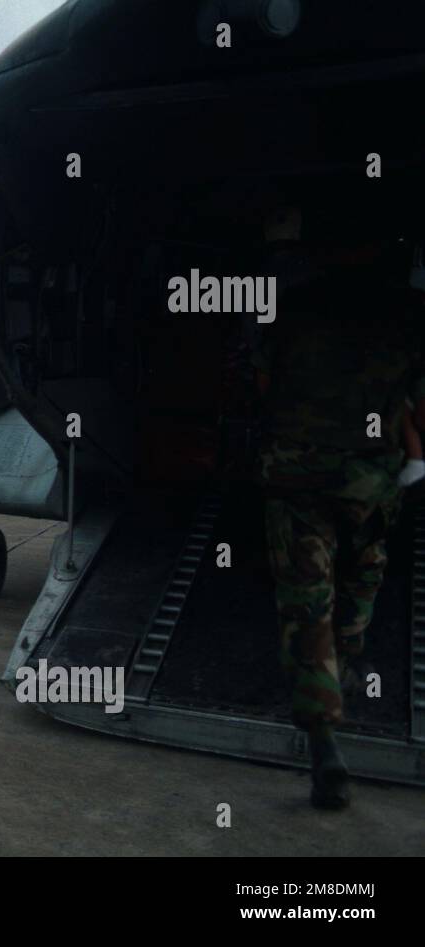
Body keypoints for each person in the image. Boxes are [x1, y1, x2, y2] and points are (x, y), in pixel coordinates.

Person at [254, 210, 425, 811]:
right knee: (366, 574)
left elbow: (251, 381)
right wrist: (414, 459)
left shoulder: (291, 306)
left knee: (306, 602)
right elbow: (419, 399)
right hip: (370, 477)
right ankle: (349, 654)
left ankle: (325, 738)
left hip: (296, 473)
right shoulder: (407, 312)